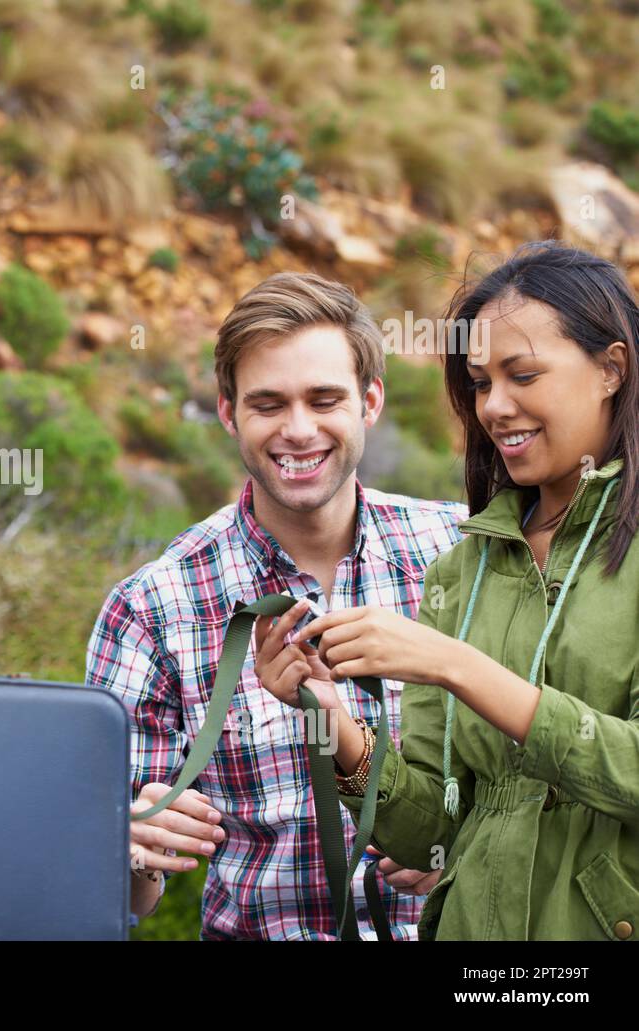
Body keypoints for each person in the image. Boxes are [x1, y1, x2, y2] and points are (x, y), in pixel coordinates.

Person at [257, 241, 638, 939]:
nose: (495, 407)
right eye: (481, 383)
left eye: (523, 374)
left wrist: (455, 665)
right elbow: (430, 830)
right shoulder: (461, 572)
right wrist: (335, 724)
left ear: (612, 368)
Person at [87, 271, 467, 939]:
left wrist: (463, 847)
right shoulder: (152, 607)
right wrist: (133, 849)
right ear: (228, 413)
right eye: (268, 404)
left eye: (324, 399)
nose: (298, 430)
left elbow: (538, 782)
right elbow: (121, 896)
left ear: (369, 401)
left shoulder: (459, 553)